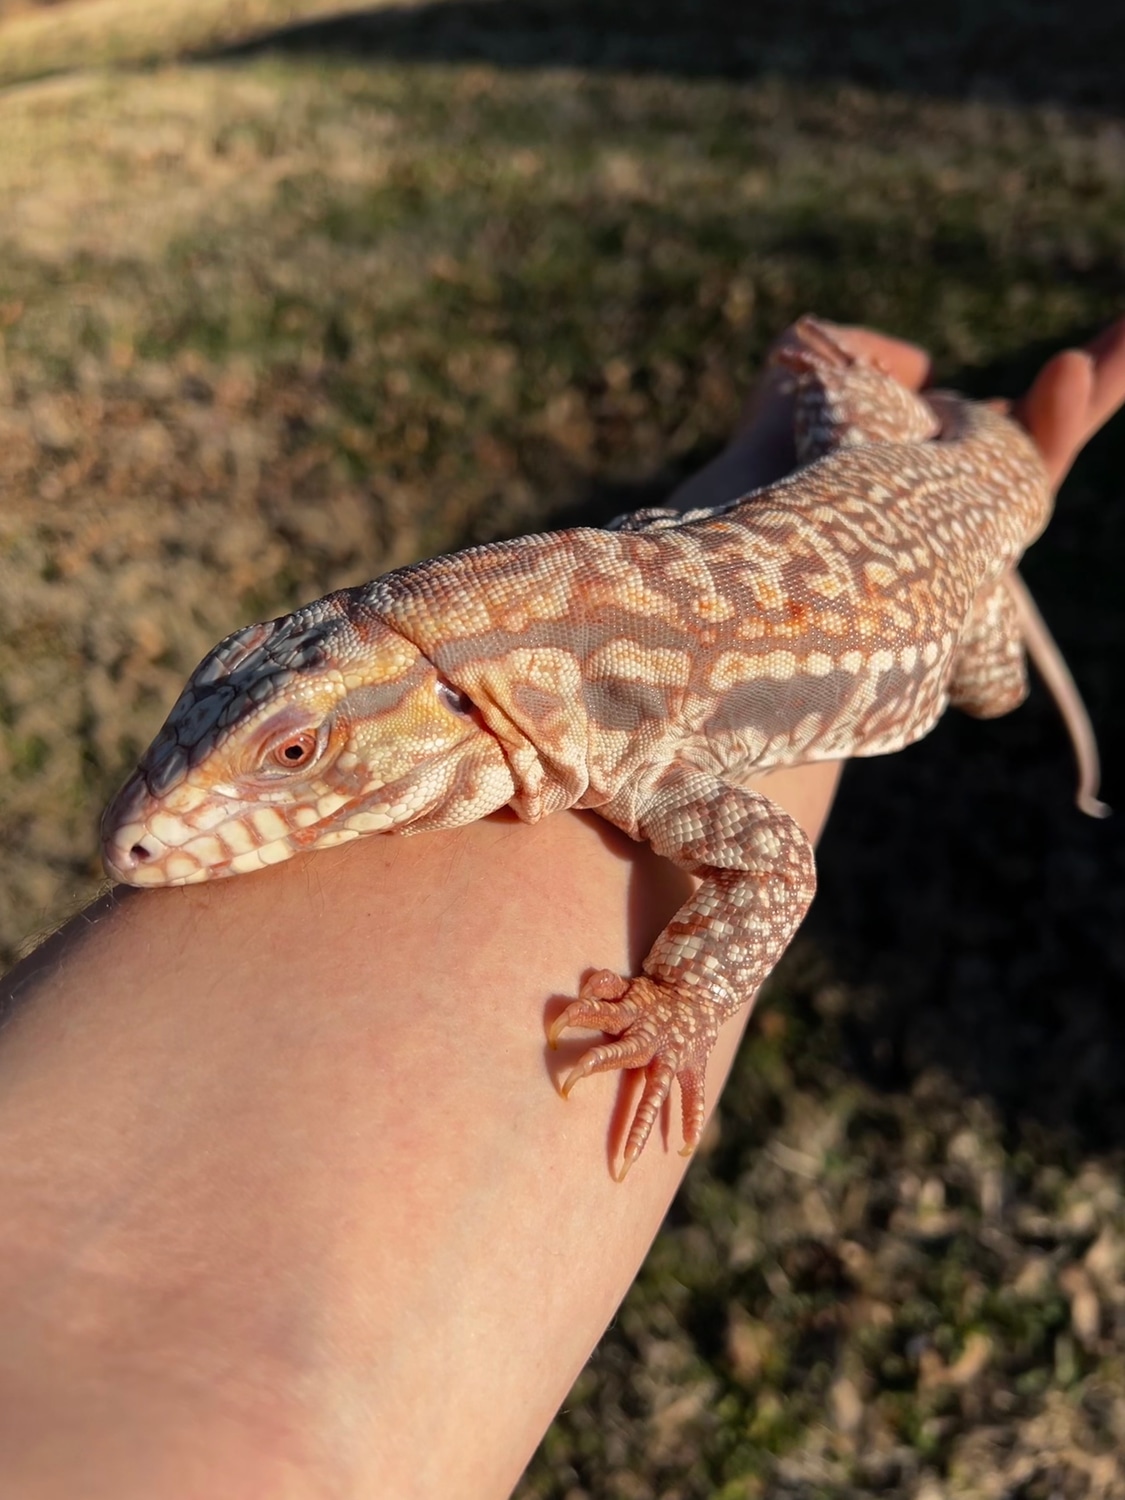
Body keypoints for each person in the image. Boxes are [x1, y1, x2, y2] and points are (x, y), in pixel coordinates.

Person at [1, 318, 1122, 1499]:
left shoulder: (631, 730)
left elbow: (771, 870)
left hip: (953, 540)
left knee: (990, 683)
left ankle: (963, 480)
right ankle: (916, 428)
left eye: (292, 751)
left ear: (466, 705)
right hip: (886, 471)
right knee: (833, 390)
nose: (144, 826)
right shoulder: (566, 687)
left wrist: (685, 997)